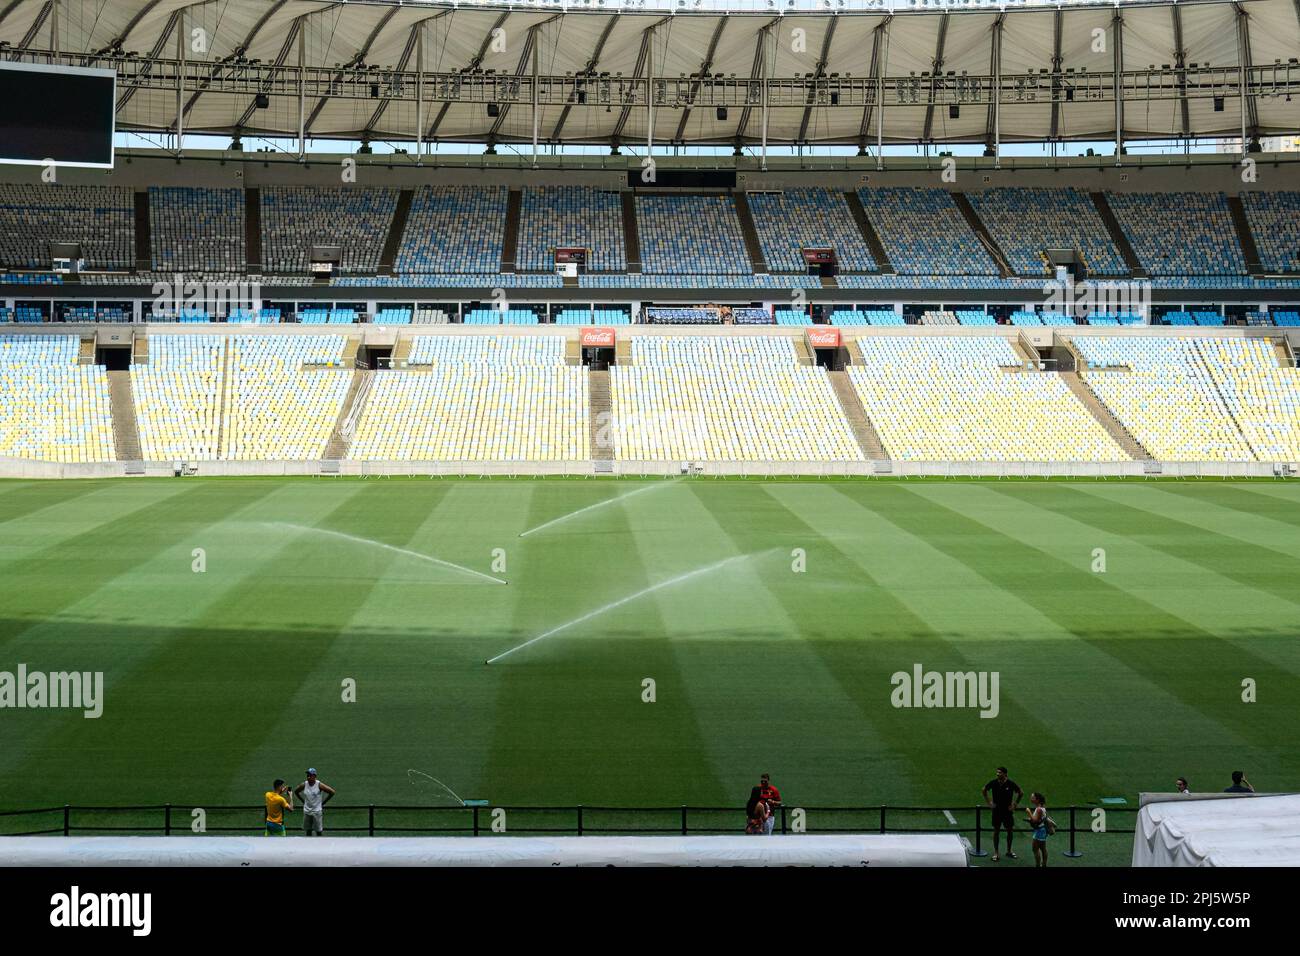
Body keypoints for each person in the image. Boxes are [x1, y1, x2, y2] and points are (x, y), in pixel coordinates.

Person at [981, 766, 1023, 862]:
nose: (997, 774)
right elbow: (984, 790)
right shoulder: (994, 782)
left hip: (1007, 811)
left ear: (1005, 774)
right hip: (997, 811)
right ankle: (996, 852)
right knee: (996, 831)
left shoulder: (1010, 783)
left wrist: (1015, 804)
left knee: (1010, 830)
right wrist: (989, 802)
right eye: (997, 772)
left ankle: (1009, 850)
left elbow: (1021, 792)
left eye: (999, 772)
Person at [293, 768, 336, 836]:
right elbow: (296, 792)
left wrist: (323, 803)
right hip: (307, 811)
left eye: (310, 775)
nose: (308, 777)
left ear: (314, 776)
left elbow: (332, 792)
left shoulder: (319, 785)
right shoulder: (304, 784)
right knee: (308, 831)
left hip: (317, 811)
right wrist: (303, 801)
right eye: (307, 775)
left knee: (318, 831)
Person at [1025, 792, 1052, 868]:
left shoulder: (1039, 809)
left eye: (1033, 797)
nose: (1031, 799)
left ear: (1037, 800)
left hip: (1039, 831)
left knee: (1035, 849)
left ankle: (1038, 865)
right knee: (1043, 848)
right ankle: (1044, 864)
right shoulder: (1041, 808)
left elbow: (1035, 821)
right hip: (1042, 830)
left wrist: (1029, 812)